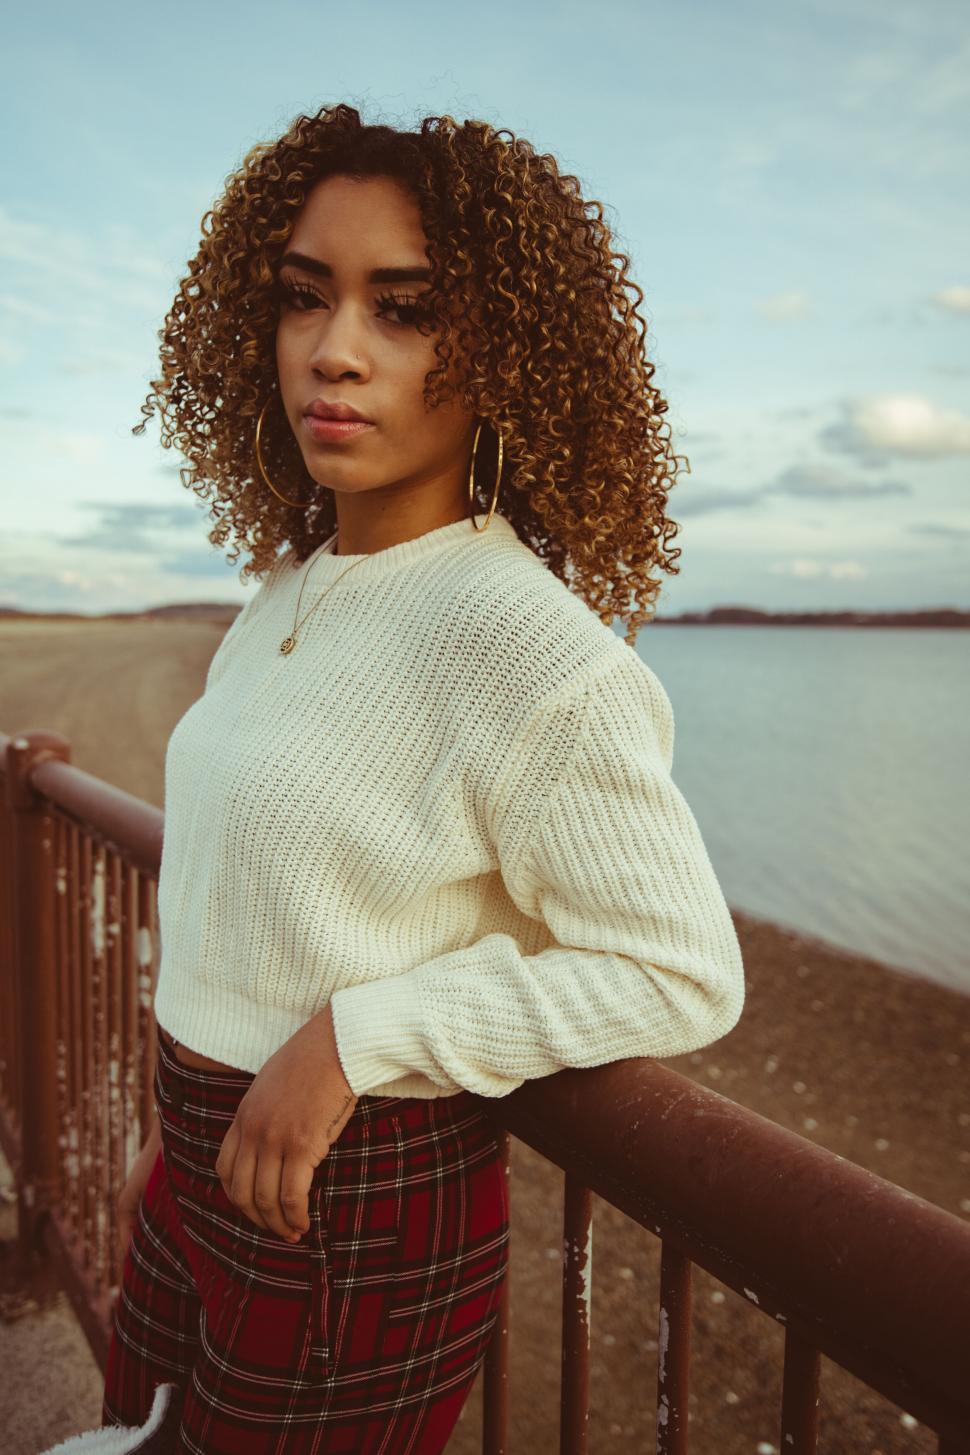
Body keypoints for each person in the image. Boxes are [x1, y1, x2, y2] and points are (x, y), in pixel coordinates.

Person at [100, 103, 746, 1453]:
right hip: (205, 1167)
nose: (333, 351)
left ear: (506, 346)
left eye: (403, 311)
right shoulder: (293, 587)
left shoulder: (525, 647)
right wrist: (172, 1146)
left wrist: (356, 1036)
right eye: (302, 299)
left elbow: (679, 969)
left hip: (351, 1210)